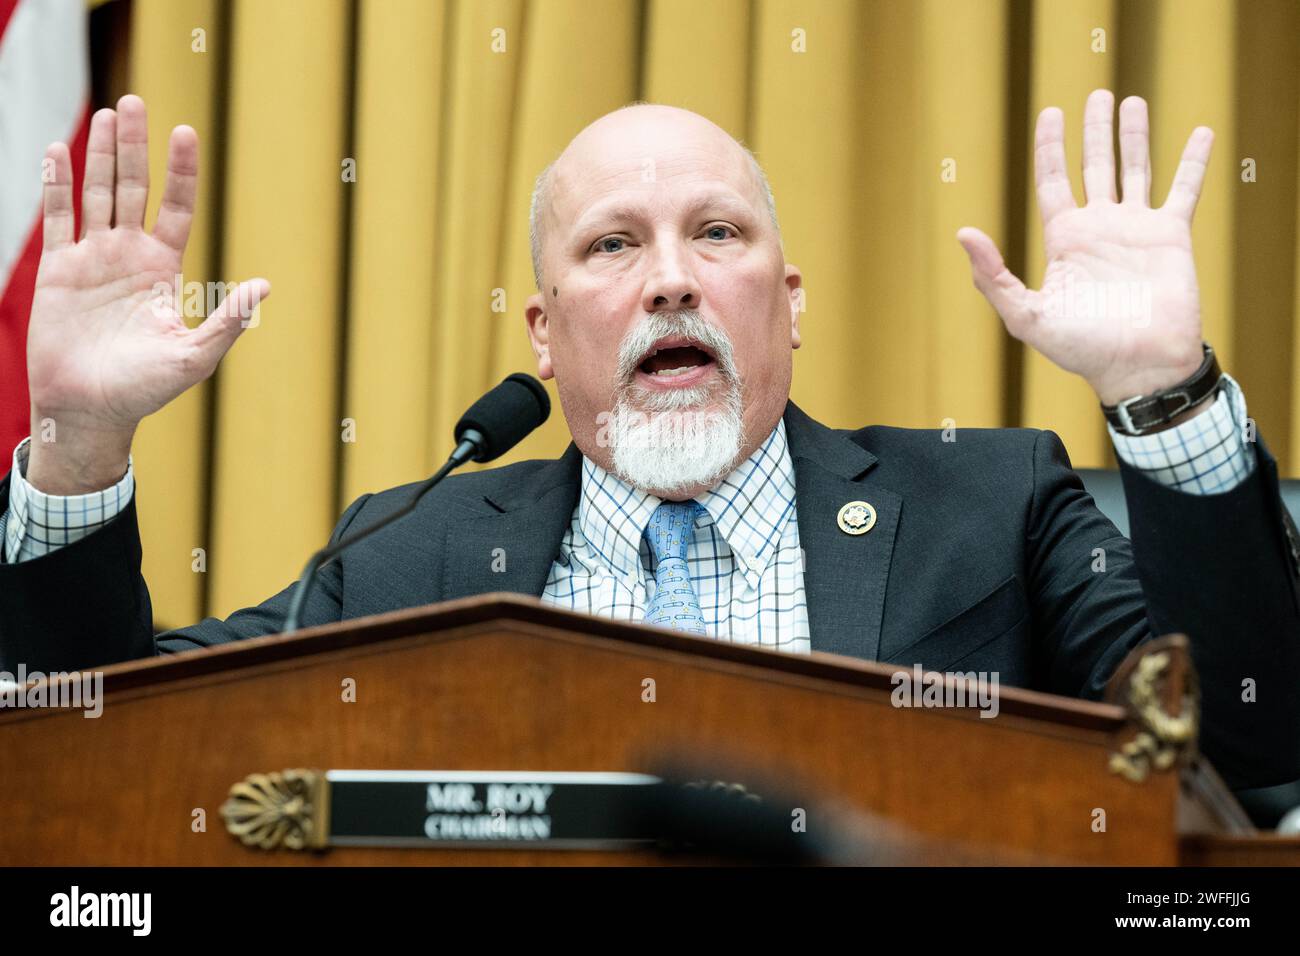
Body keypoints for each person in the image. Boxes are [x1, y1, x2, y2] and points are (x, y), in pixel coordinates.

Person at [2, 92, 1297, 792]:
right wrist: (77, 442)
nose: (672, 279)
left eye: (719, 235)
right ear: (546, 333)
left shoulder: (991, 505)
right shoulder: (411, 552)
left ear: (787, 306)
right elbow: (91, 753)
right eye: (614, 245)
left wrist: (1162, 389)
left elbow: (1248, 743)